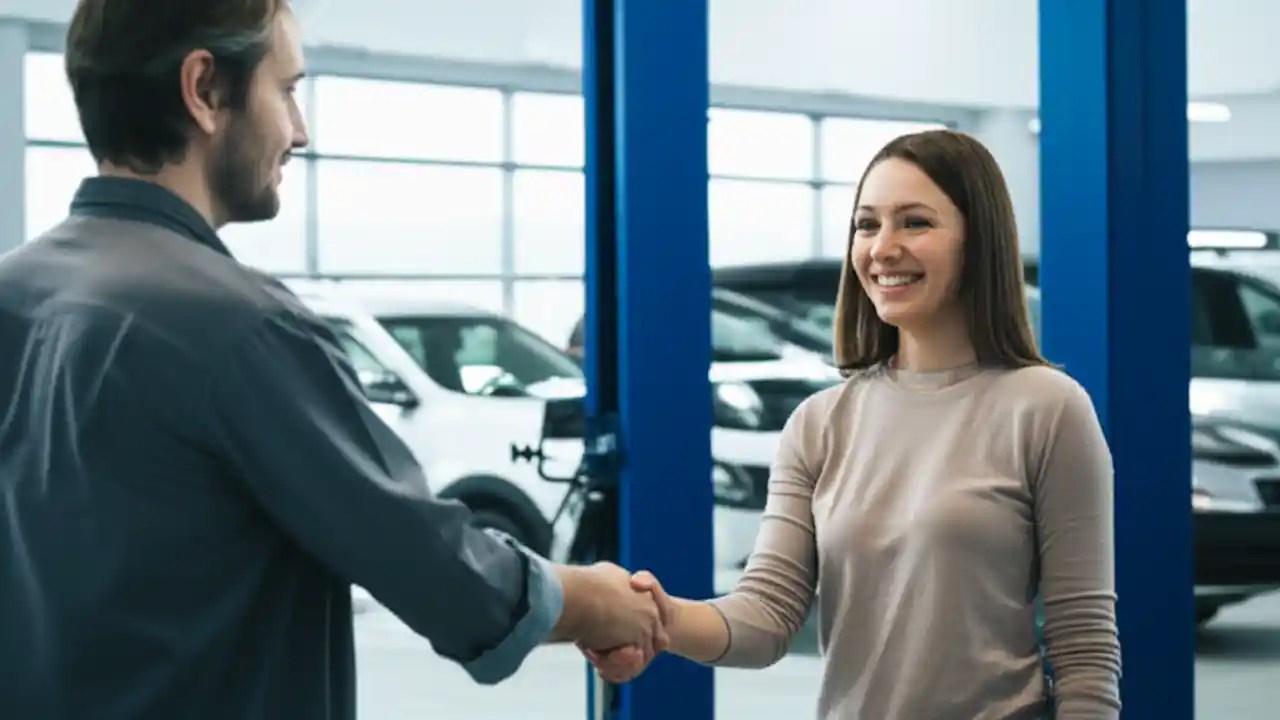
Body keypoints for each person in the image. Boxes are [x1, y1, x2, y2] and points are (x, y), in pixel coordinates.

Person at [0, 2, 665, 718]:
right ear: (205, 90)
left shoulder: (15, 292)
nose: (301, 130)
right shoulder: (241, 328)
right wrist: (591, 601)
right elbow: (443, 573)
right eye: (286, 90)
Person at [584, 129, 1122, 719]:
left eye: (915, 222)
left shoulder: (1047, 408)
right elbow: (765, 615)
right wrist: (659, 620)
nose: (883, 248)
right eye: (867, 225)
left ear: (978, 241)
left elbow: (1084, 647)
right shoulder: (820, 423)